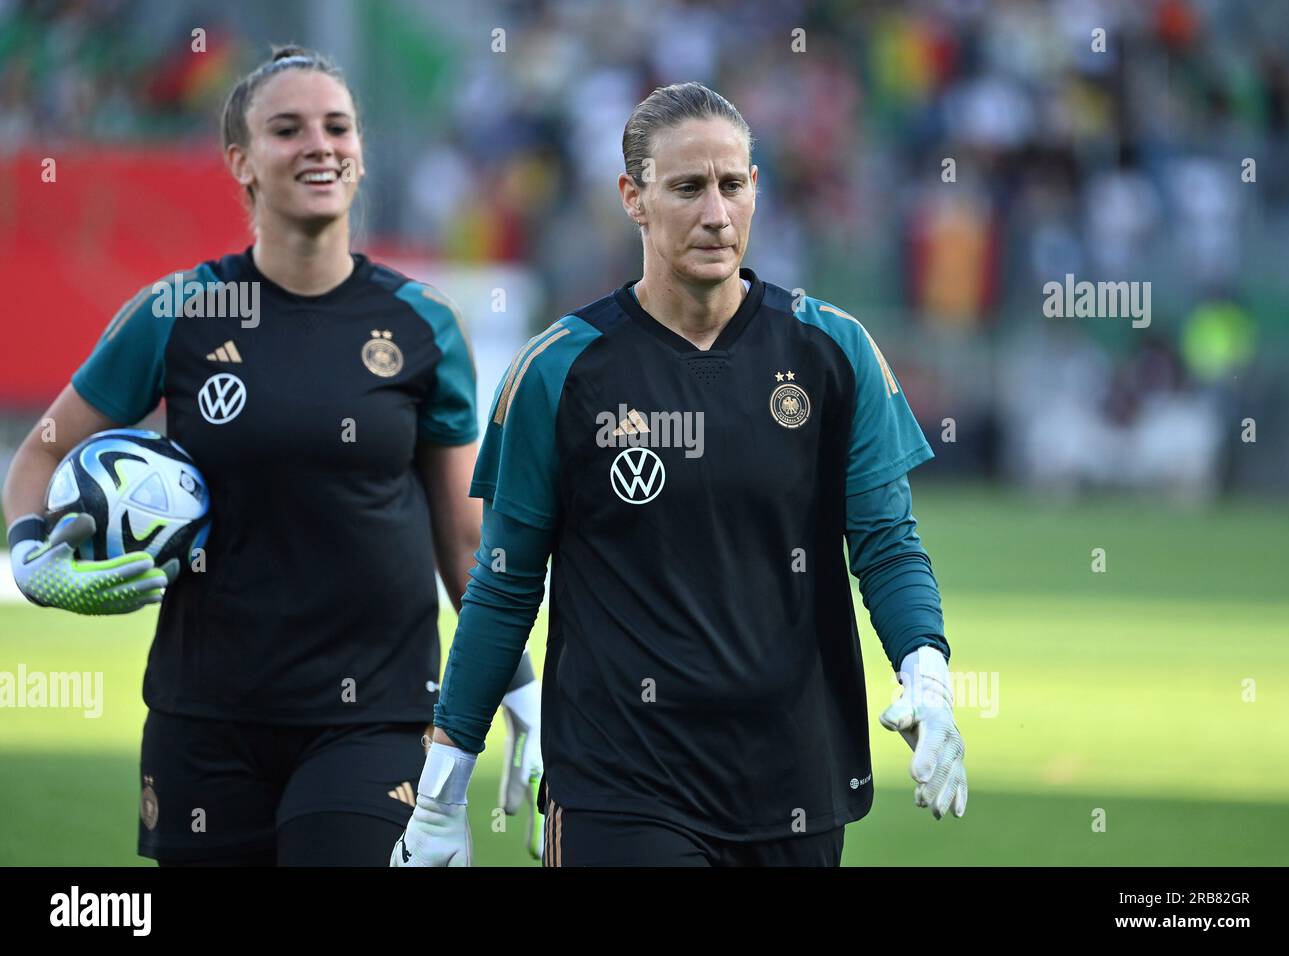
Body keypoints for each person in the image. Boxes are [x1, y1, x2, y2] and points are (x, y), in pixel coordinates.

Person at [392, 82, 967, 868]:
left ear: (756, 189)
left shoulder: (832, 353)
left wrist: (926, 671)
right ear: (634, 197)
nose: (716, 213)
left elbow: (886, 543)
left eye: (733, 185)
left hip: (793, 782)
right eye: (688, 187)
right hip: (619, 789)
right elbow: (504, 584)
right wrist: (442, 788)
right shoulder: (560, 370)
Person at [2, 46, 542, 866]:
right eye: (287, 130)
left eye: (338, 127)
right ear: (241, 162)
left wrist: (522, 691)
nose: (319, 146)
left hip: (374, 716)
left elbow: (463, 541)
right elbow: (39, 454)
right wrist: (31, 555)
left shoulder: (421, 324)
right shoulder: (178, 311)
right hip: (205, 718)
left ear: (360, 151)